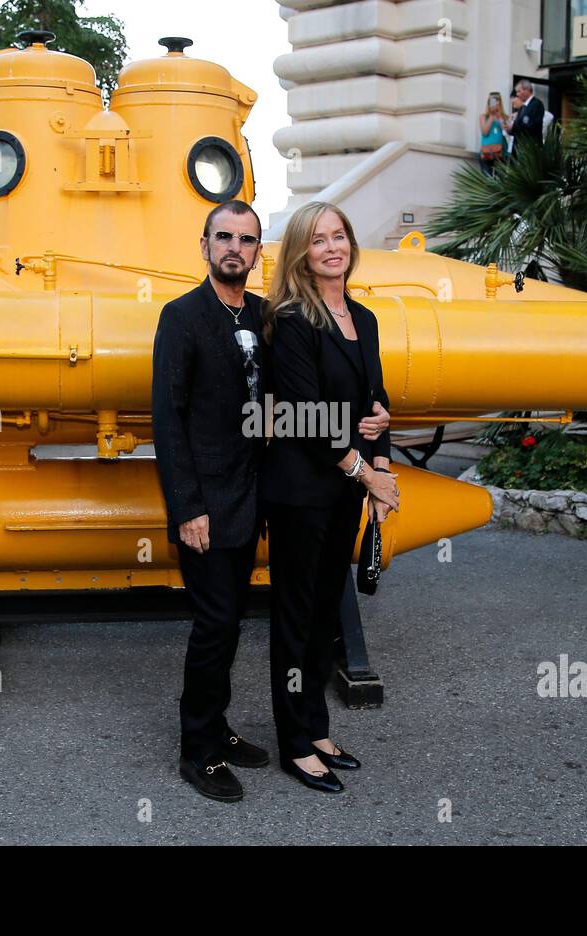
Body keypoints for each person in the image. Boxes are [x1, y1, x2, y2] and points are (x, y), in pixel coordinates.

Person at [260, 201, 399, 793]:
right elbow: (304, 416)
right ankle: (294, 742)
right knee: (295, 618)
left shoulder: (363, 318)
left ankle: (316, 727)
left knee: (324, 617)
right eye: (319, 240)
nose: (332, 247)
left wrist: (384, 448)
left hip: (344, 488)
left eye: (339, 236)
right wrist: (368, 475)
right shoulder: (291, 320)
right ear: (301, 253)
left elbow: (373, 396)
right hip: (301, 491)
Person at [151, 199, 271, 803]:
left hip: (252, 498)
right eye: (223, 237)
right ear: (204, 247)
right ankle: (197, 749)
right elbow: (168, 421)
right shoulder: (181, 318)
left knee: (232, 624)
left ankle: (219, 730)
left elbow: (285, 404)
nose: (234, 247)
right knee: (215, 624)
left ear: (257, 252)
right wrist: (186, 508)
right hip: (206, 504)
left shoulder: (265, 316)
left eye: (246, 240)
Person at [507, 79, 546, 153]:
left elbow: (531, 126)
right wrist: (509, 129)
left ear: (527, 90)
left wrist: (513, 127)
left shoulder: (537, 104)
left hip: (530, 150)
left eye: (519, 91)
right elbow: (518, 127)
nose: (517, 94)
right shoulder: (523, 107)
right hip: (519, 150)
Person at [478, 91, 509, 174]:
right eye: (491, 102)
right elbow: (485, 132)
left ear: (500, 103)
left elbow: (507, 131)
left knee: (501, 180)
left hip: (501, 152)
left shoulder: (505, 117)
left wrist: (499, 117)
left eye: (496, 101)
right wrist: (491, 116)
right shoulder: (484, 117)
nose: (493, 104)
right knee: (487, 179)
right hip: (486, 152)